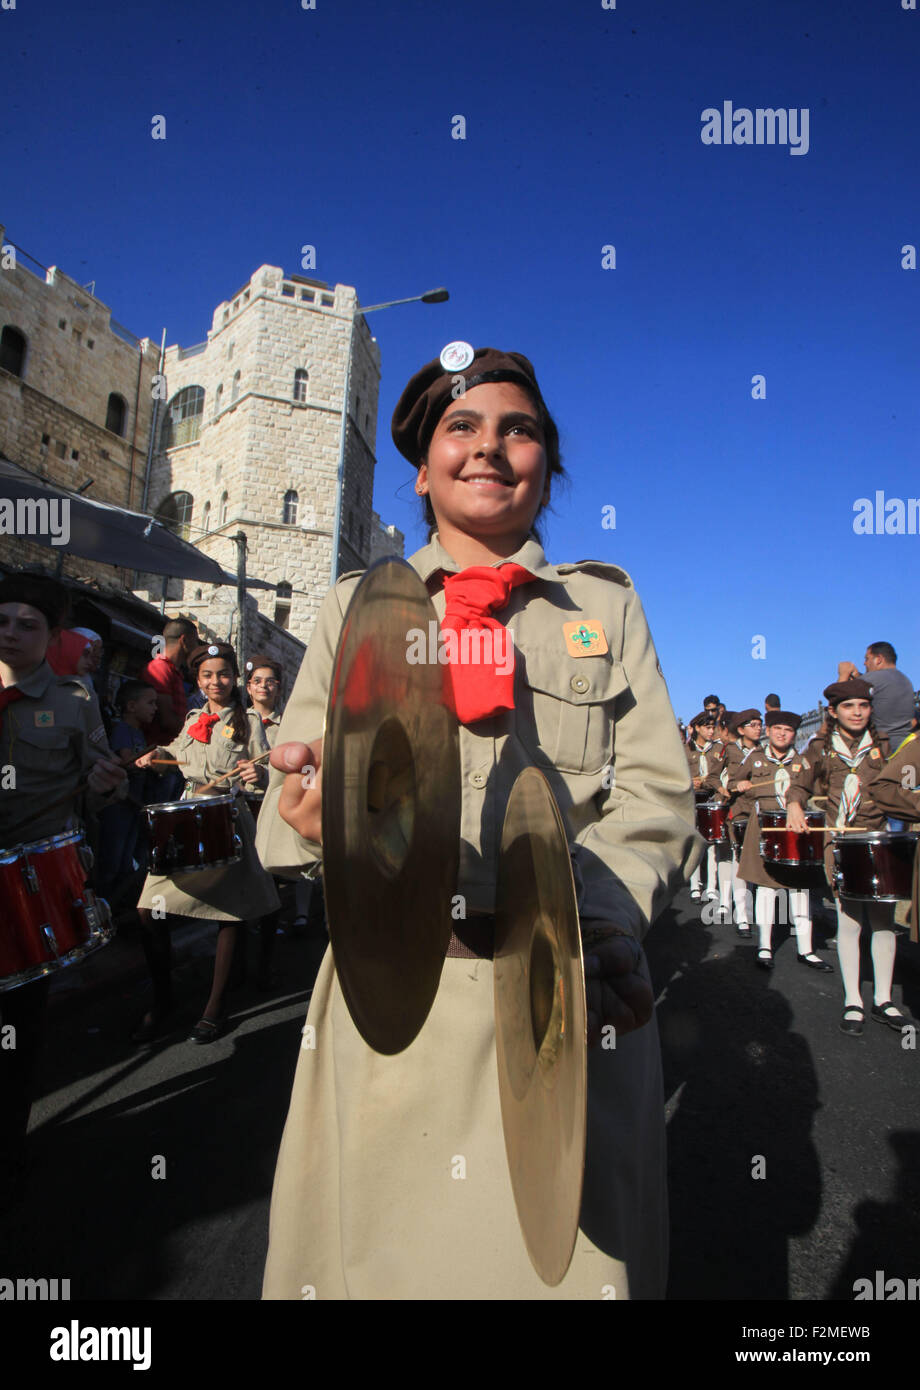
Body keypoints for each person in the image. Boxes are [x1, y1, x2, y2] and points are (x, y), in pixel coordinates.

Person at [255, 345, 699, 1300]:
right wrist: (308, 819)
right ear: (421, 471)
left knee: (572, 1274)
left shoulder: (607, 608)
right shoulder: (353, 610)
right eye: (463, 427)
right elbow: (279, 818)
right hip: (397, 1004)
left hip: (568, 1001)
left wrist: (608, 918)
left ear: (548, 465)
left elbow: (658, 797)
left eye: (520, 429)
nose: (491, 447)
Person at [0, 576, 126, 1197]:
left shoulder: (74, 702)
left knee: (16, 1027)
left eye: (28, 625)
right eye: (3, 621)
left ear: (51, 638)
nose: (12, 633)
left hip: (27, 885)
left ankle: (7, 1148)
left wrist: (108, 784)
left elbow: (109, 784)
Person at [132, 642, 280, 1043]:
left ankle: (216, 1007)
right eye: (207, 676)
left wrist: (257, 777)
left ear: (235, 677)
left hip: (228, 816)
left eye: (224, 674)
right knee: (149, 910)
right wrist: (156, 753)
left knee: (228, 915)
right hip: (185, 817)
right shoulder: (196, 716)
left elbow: (267, 770)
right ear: (197, 680)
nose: (217, 682)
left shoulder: (249, 721)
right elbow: (180, 752)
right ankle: (164, 1000)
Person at [786, 681, 910, 1037]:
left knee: (883, 920)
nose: (857, 712)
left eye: (863, 705)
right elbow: (800, 784)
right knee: (850, 920)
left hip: (878, 837)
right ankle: (853, 999)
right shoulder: (820, 748)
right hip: (839, 840)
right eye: (849, 706)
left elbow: (905, 784)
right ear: (833, 712)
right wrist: (794, 805)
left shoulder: (885, 745)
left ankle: (884, 999)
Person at [729, 711, 831, 972]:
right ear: (769, 731)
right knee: (766, 888)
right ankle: (765, 945)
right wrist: (740, 784)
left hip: (795, 830)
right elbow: (732, 781)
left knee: (800, 889)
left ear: (794, 734)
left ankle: (806, 949)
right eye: (777, 729)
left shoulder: (803, 762)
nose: (782, 734)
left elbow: (817, 790)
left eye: (787, 730)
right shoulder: (756, 758)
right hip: (763, 828)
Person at [95, 680, 159, 912]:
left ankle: (118, 908)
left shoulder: (138, 732)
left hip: (132, 805)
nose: (155, 708)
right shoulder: (123, 729)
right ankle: (103, 906)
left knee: (125, 860)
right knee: (111, 859)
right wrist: (146, 759)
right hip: (119, 804)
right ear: (131, 706)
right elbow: (124, 759)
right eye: (150, 703)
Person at [142, 618, 199, 800]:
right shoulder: (160, 669)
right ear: (185, 640)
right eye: (195, 641)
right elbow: (167, 719)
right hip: (160, 761)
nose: (196, 646)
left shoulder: (174, 672)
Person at [839, 643, 916, 755]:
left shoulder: (873, 678)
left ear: (879, 659)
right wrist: (858, 677)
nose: (864, 663)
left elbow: (839, 698)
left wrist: (843, 674)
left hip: (882, 747)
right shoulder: (905, 681)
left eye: (867, 659)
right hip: (905, 746)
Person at [685, 711, 721, 902]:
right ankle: (694, 884)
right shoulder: (686, 749)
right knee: (695, 842)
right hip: (692, 800)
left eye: (713, 727)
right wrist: (689, 782)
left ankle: (712, 886)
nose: (711, 731)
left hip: (711, 798)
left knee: (712, 844)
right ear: (697, 728)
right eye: (707, 727)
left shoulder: (718, 750)